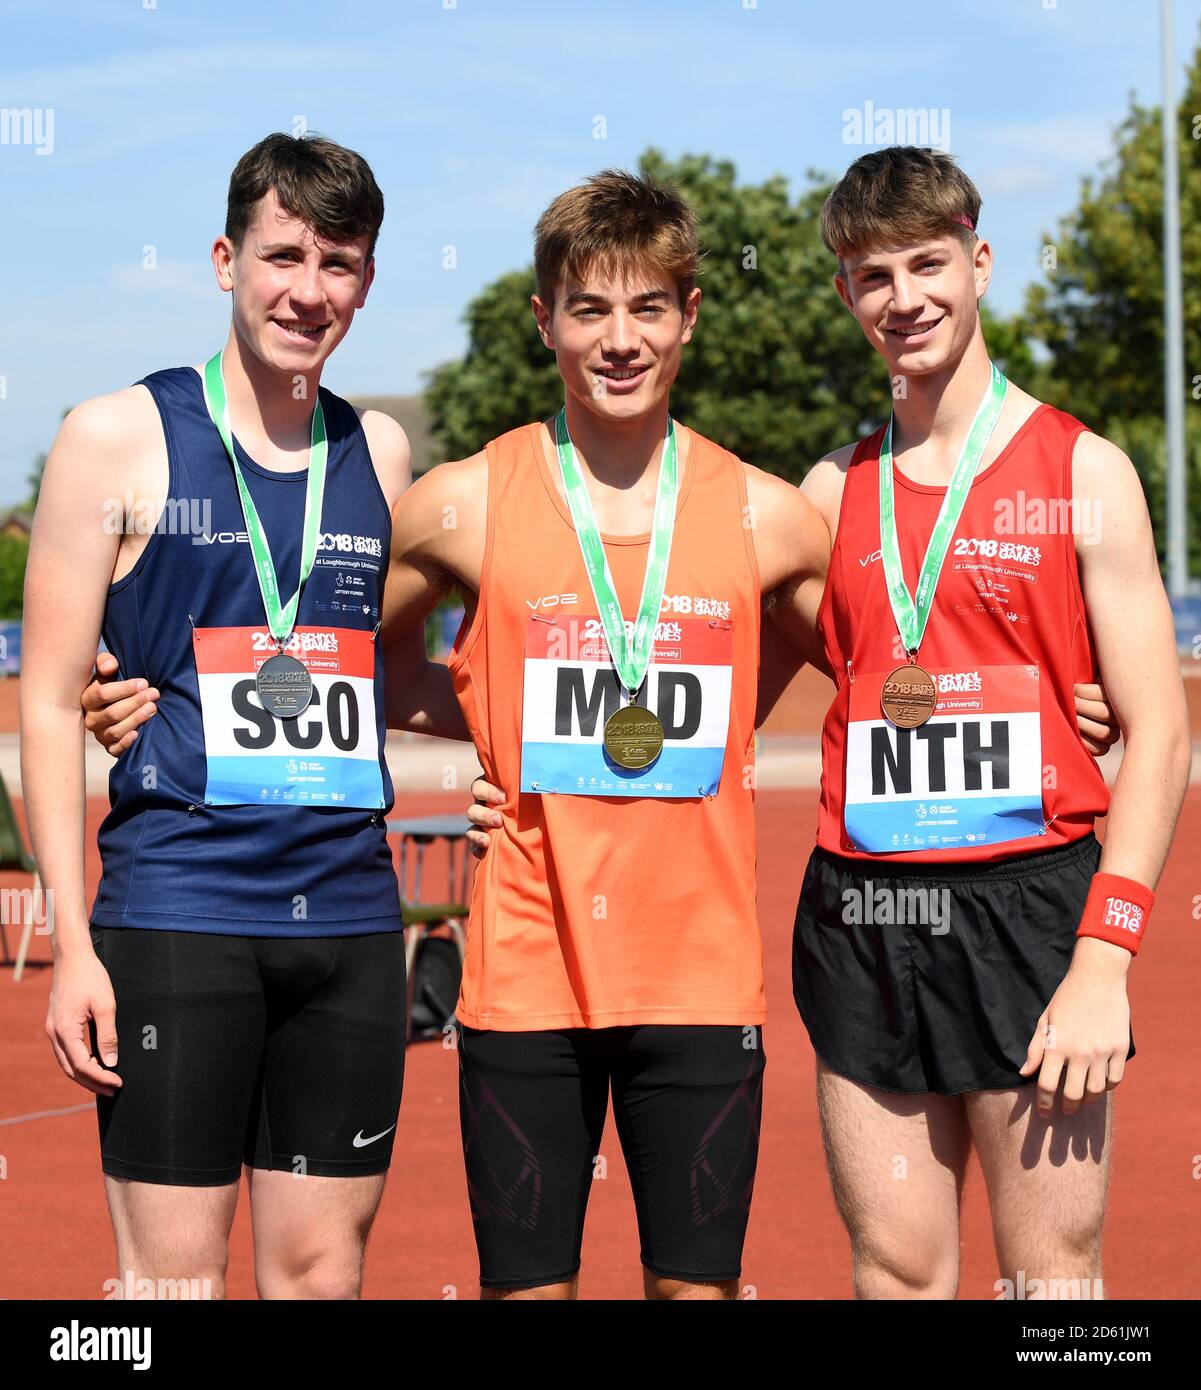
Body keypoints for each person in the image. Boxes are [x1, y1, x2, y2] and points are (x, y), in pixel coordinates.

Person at [23, 131, 468, 1301]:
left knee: (323, 1277)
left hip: (351, 927)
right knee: (171, 1291)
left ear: (366, 283)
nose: (307, 290)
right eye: (283, 255)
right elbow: (49, 705)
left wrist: (515, 734)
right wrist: (73, 945)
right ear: (226, 259)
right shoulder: (114, 436)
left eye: (338, 263)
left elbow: (379, 671)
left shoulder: (379, 449)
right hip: (180, 920)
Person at [785, 146, 1190, 1299]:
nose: (903, 297)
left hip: (1034, 911)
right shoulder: (826, 492)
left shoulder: (1085, 470)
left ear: (979, 263)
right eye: (871, 275)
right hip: (863, 907)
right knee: (895, 1269)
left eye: (927, 263)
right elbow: (708, 688)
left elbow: (1160, 736)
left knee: (1053, 1275)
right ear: (844, 296)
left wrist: (1105, 957)